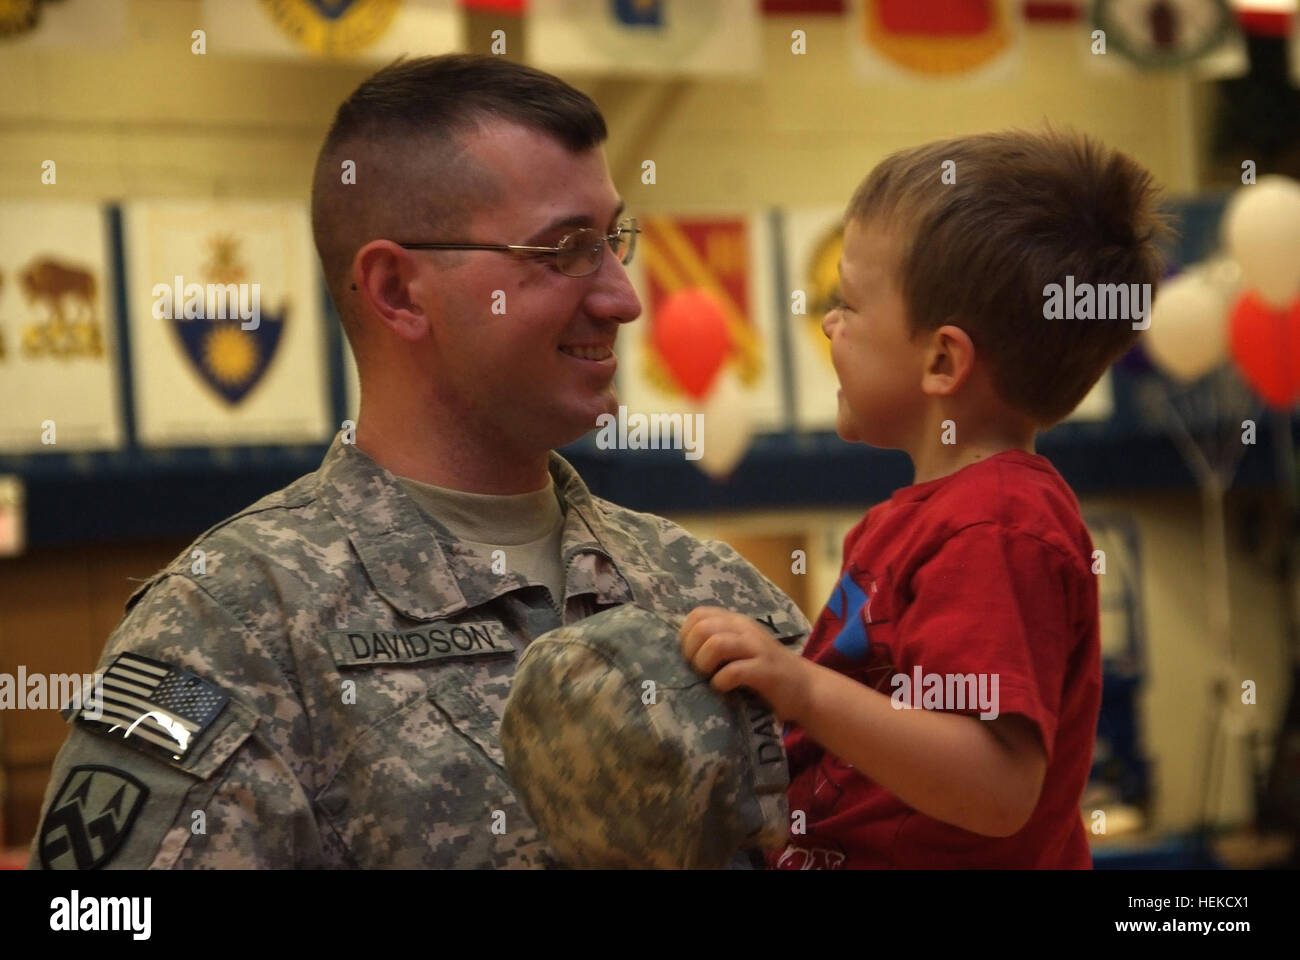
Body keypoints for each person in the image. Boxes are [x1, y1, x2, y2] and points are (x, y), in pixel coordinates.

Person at [29, 54, 809, 870]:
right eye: (566, 248)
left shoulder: (707, 590)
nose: (623, 296)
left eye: (613, 240)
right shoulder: (231, 631)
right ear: (398, 290)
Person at [680, 128, 1169, 868]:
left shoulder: (996, 526)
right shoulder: (928, 519)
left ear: (942, 359)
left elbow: (998, 786)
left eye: (849, 303)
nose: (829, 323)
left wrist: (801, 689)